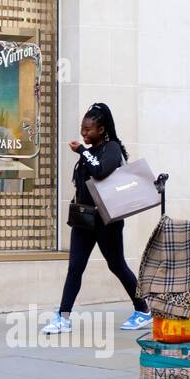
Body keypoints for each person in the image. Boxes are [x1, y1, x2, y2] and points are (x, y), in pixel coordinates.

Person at [42, 102, 152, 335]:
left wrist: (82, 151)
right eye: (82, 129)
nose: (84, 133)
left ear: (101, 129)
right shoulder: (89, 151)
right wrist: (84, 152)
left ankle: (143, 310)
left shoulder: (111, 149)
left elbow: (101, 171)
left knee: (117, 265)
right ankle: (63, 317)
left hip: (106, 220)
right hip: (84, 219)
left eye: (88, 129)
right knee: (75, 268)